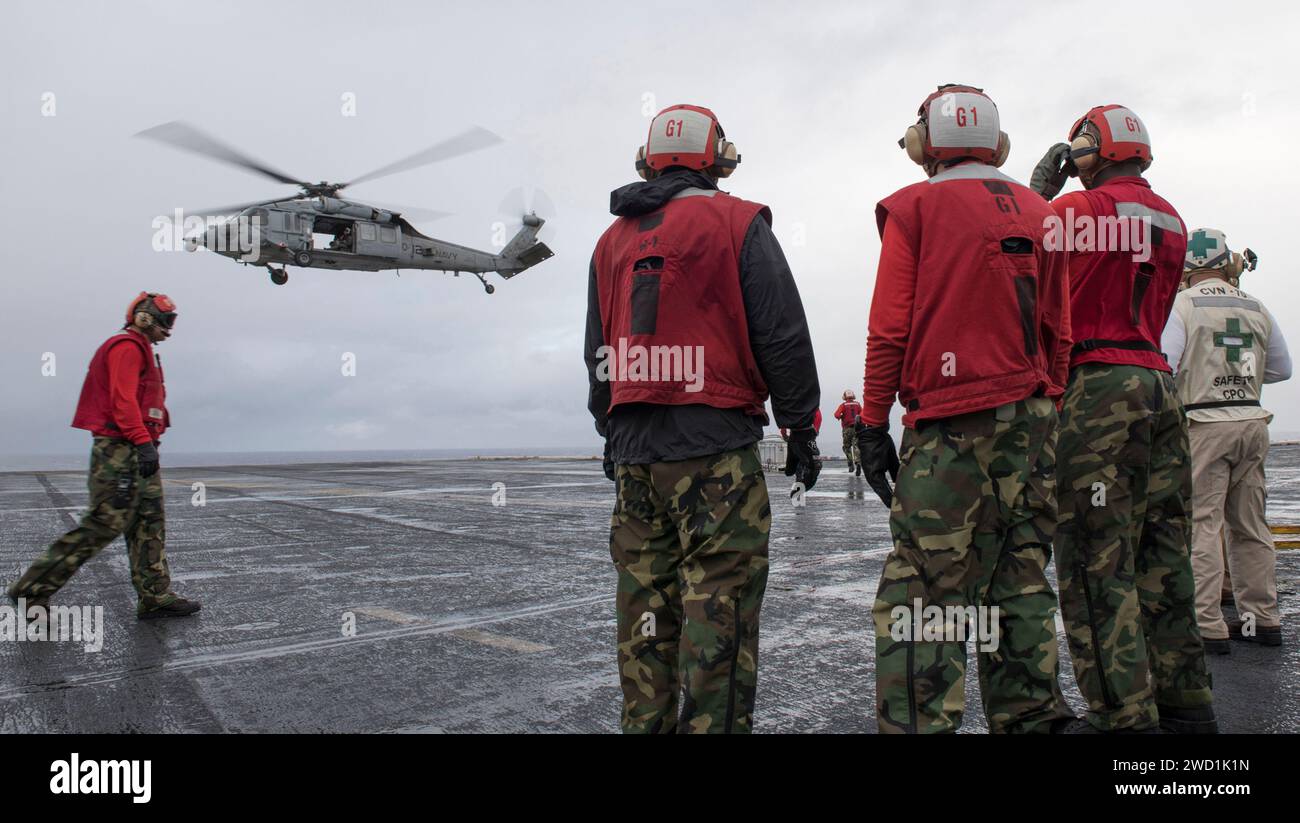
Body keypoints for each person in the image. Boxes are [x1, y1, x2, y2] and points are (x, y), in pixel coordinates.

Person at [585, 104, 820, 733]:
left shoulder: (611, 243)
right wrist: (802, 427)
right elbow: (781, 333)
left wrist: (611, 430)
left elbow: (597, 350)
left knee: (643, 616)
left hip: (635, 451)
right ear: (718, 157)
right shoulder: (737, 221)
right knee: (720, 613)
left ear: (647, 158)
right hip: (714, 447)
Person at [861, 84, 1075, 733]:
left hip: (949, 427)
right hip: (1034, 418)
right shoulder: (1043, 211)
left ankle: (921, 722)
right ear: (999, 144)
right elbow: (1060, 329)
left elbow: (890, 329)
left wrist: (873, 423)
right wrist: (1048, 408)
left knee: (926, 589)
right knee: (1021, 571)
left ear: (926, 144)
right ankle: (1033, 714)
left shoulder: (914, 208)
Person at [1030, 105, 1216, 733]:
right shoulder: (1173, 219)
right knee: (1164, 550)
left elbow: (1022, 266)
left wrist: (1037, 195)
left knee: (1091, 553)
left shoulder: (1074, 213)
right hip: (1158, 384)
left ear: (1090, 149)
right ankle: (1187, 703)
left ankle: (1122, 719)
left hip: (1097, 384)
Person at [7, 293, 201, 620]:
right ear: (145, 317)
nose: (170, 328)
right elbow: (122, 401)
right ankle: (30, 590)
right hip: (120, 450)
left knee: (148, 522)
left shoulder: (143, 350)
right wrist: (142, 442)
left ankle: (155, 596)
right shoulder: (125, 347)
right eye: (167, 320)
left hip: (140, 450)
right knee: (104, 523)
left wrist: (148, 443)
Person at [1163, 230, 1290, 650]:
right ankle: (1262, 620)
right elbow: (1280, 369)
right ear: (1225, 263)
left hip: (1203, 422)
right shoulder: (1256, 306)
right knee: (1250, 525)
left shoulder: (1182, 305)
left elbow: (1165, 363)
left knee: (1202, 525)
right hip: (1252, 421)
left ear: (1189, 266)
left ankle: (1208, 625)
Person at [834, 390, 863, 474]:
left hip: (847, 429)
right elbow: (862, 414)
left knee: (846, 447)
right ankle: (858, 463)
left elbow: (836, 415)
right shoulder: (857, 404)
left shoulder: (843, 405)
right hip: (857, 428)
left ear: (844, 397)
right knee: (856, 446)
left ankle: (850, 464)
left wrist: (842, 416)